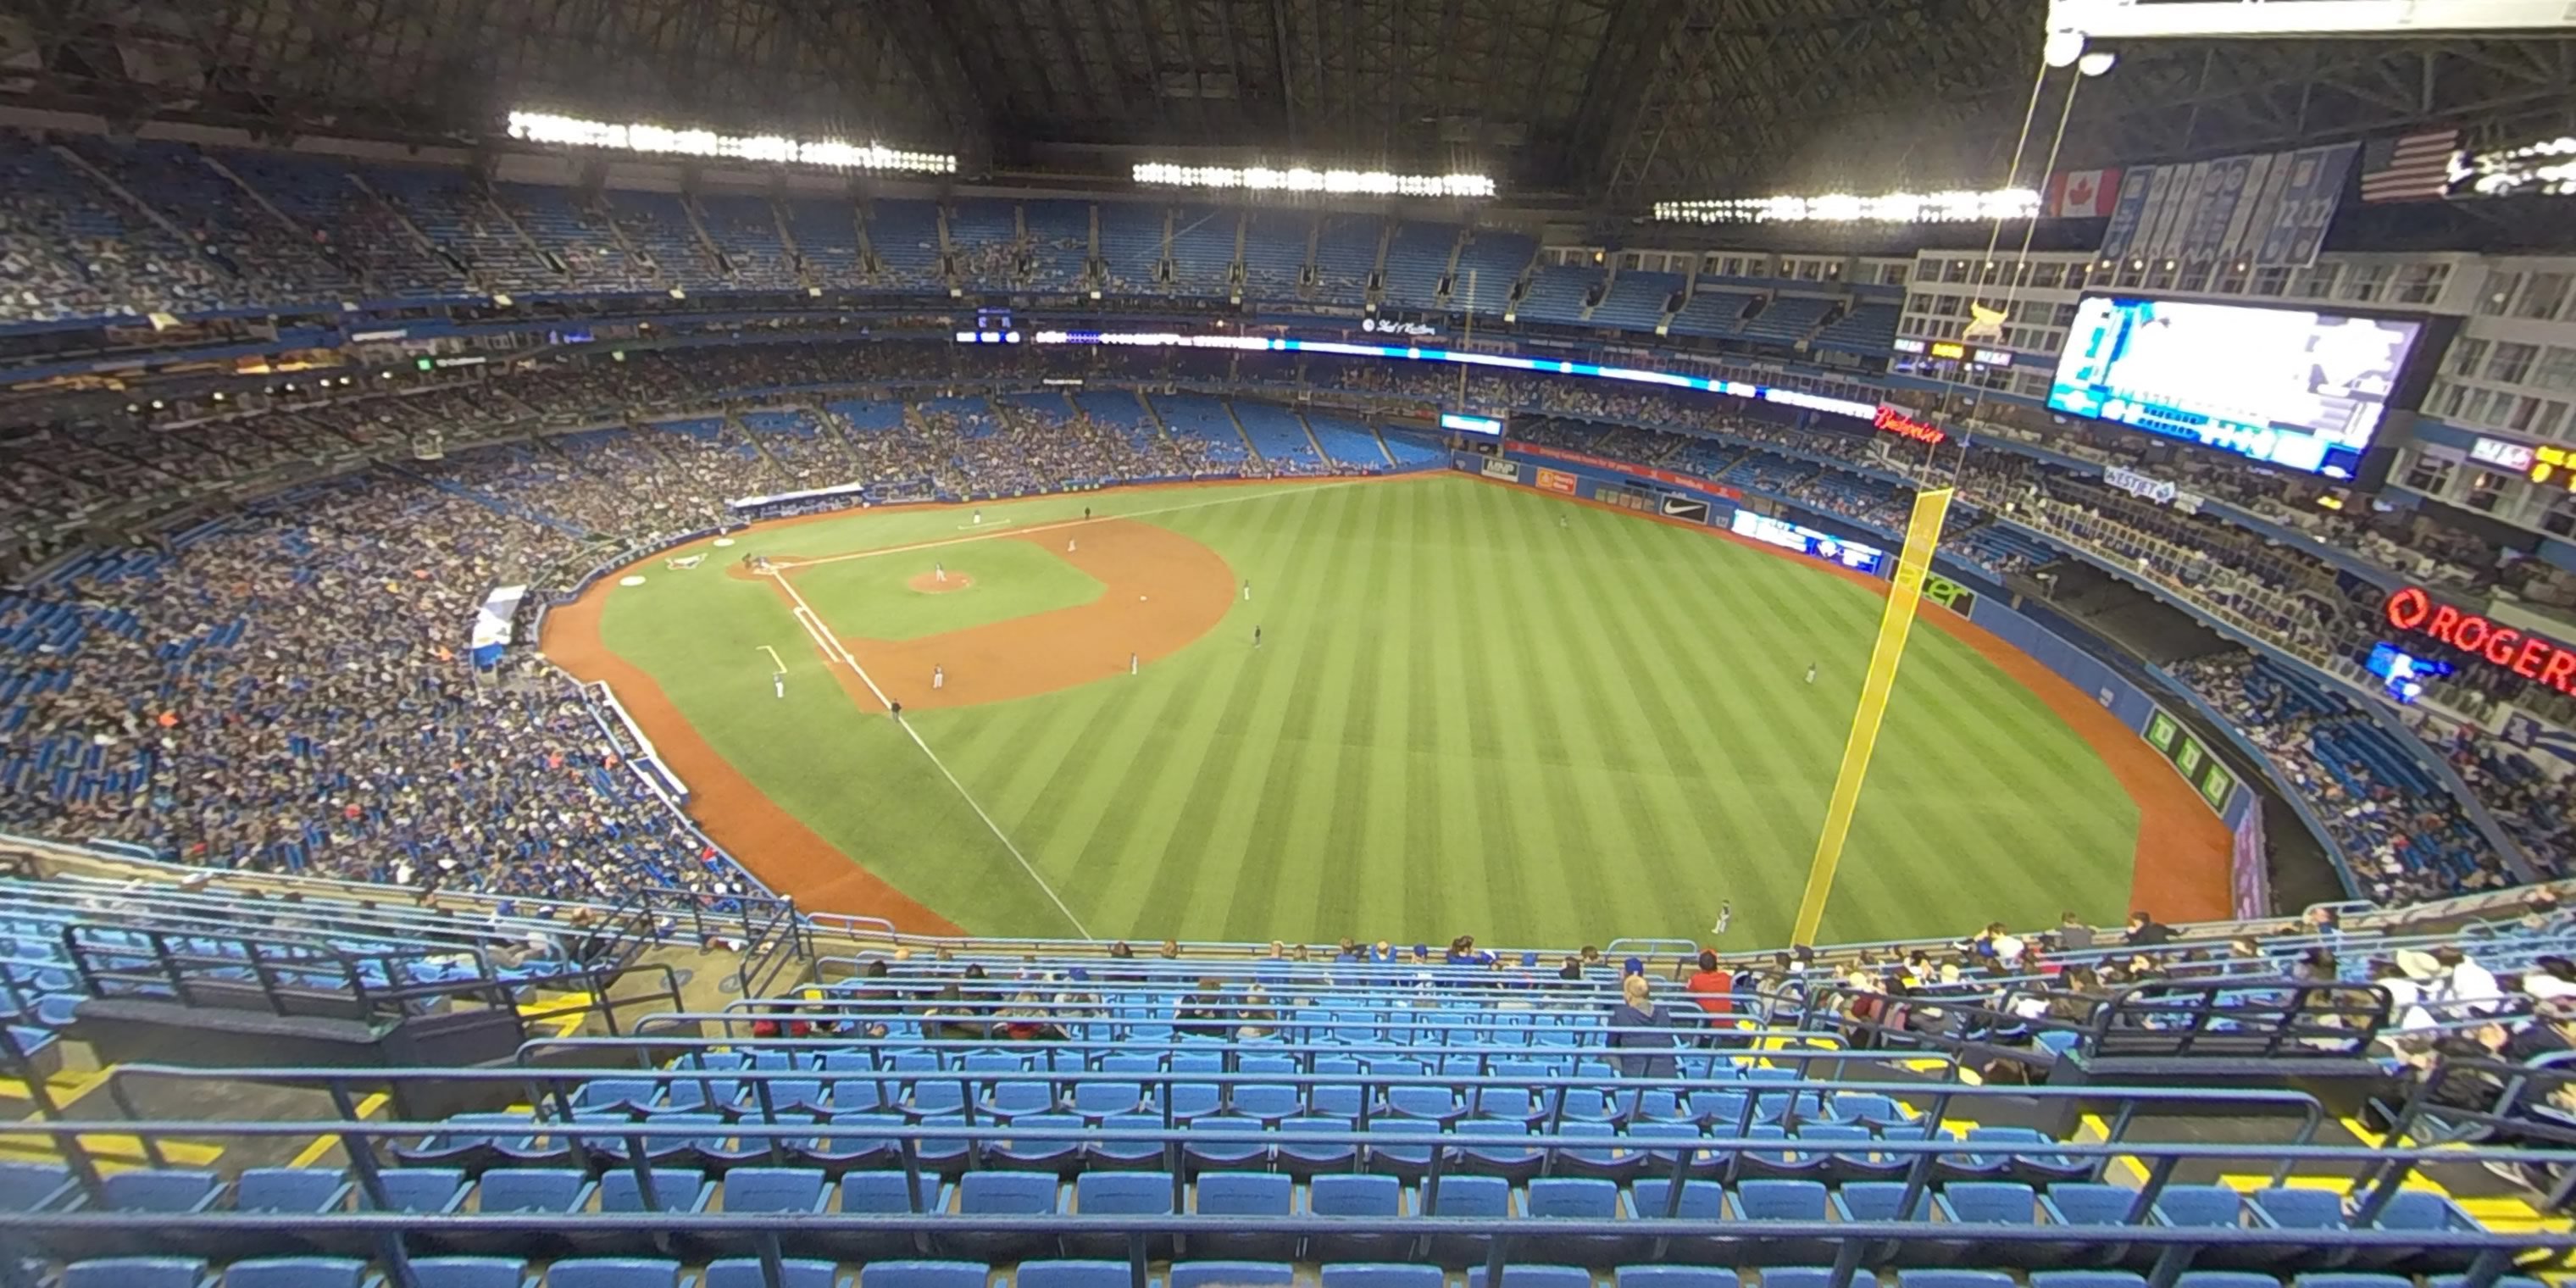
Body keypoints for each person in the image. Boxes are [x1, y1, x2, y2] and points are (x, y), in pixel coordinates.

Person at [1608, 974, 1681, 1078]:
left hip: (1634, 1078)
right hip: (1668, 1077)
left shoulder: (1620, 1015)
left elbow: (1610, 1047)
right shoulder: (1664, 1013)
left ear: (1628, 995)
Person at [1685, 950, 1734, 1026]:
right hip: (1728, 1024)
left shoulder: (1695, 979)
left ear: (1700, 965)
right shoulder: (1726, 977)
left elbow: (1688, 996)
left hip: (1706, 1024)